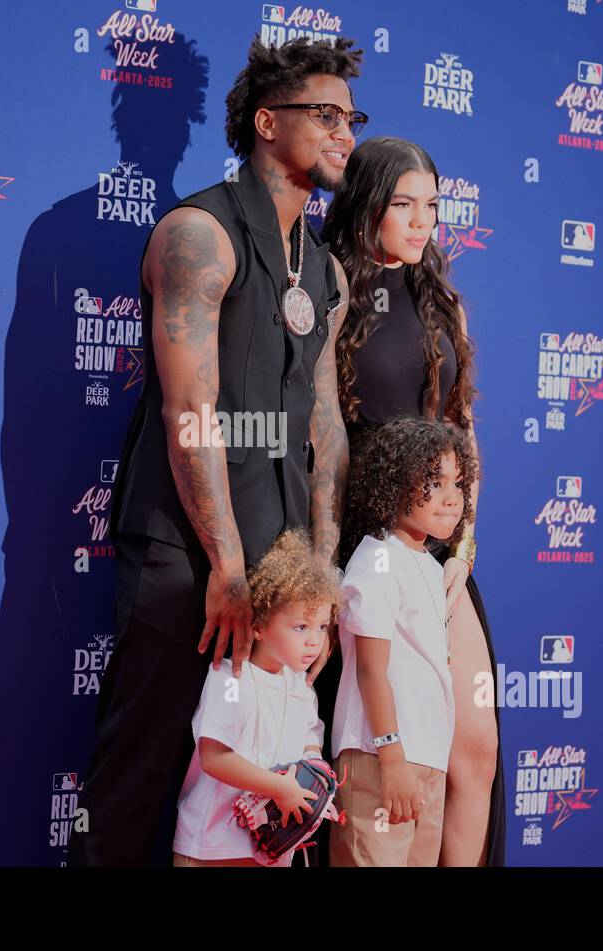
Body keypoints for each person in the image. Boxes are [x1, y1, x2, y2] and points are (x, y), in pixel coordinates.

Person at [68, 35, 364, 866]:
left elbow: (326, 427)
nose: (346, 133)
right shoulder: (198, 233)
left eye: (352, 118)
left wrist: (322, 571)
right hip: (186, 548)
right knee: (140, 763)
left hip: (278, 561)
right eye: (326, 115)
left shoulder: (327, 271)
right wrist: (226, 566)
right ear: (268, 123)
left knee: (261, 783)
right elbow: (188, 411)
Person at [320, 136, 505, 867]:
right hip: (368, 554)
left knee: (476, 749)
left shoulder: (438, 297)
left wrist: (462, 542)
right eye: (404, 204)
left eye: (432, 204)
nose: (423, 220)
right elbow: (315, 431)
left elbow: (461, 428)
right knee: (382, 766)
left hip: (444, 555)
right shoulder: (327, 283)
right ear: (366, 202)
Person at [329, 418, 478, 866]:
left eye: (458, 482)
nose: (452, 497)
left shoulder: (432, 569)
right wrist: (392, 759)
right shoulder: (378, 560)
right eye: (434, 483)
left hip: (425, 766)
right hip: (380, 762)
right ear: (393, 484)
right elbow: (372, 671)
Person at [172, 528, 338, 867]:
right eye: (301, 627)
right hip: (212, 846)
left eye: (322, 627)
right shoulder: (231, 676)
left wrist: (313, 783)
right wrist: (280, 788)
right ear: (259, 625)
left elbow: (310, 742)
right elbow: (215, 758)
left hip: (271, 848)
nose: (314, 641)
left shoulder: (301, 687)